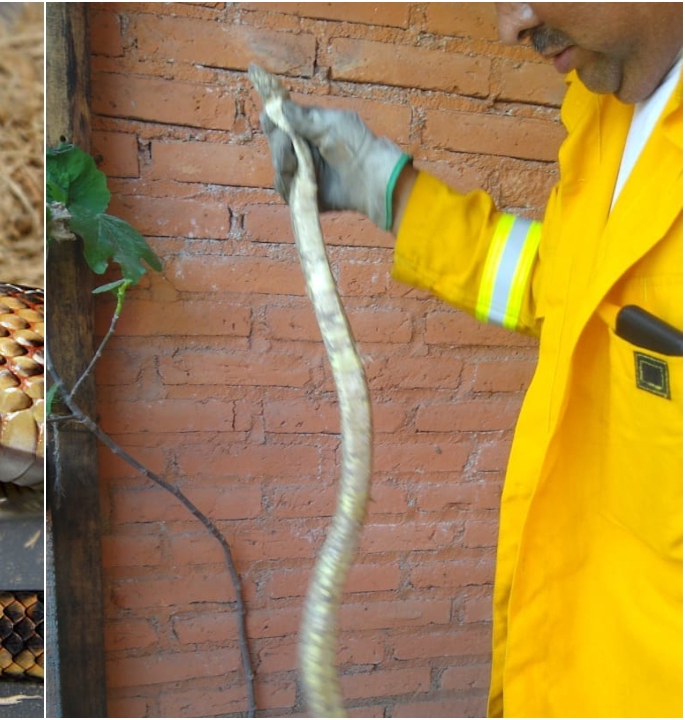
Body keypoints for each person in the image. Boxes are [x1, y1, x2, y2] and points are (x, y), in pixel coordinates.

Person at [260, 3, 682, 717]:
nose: (509, 25)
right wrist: (394, 193)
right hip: (560, 659)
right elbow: (568, 290)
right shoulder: (607, 110)